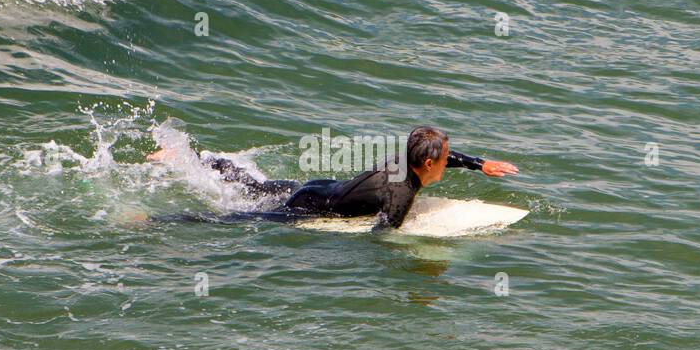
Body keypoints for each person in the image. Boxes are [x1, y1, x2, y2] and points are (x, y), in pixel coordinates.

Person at [148, 125, 517, 230]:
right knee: (232, 220)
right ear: (427, 164)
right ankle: (156, 220)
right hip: (306, 209)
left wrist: (478, 163)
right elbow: (384, 233)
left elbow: (441, 156)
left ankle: (190, 156)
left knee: (252, 185)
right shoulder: (401, 195)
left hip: (315, 187)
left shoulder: (403, 159)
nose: (448, 162)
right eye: (445, 159)